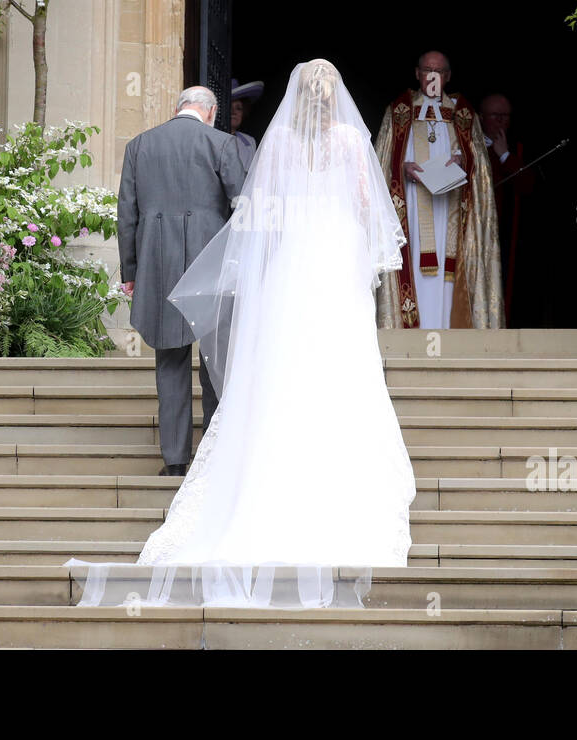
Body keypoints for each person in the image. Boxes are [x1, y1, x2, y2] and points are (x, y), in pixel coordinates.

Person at [69, 60, 416, 608]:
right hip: (334, 259)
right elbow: (367, 207)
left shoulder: (268, 146)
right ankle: (328, 450)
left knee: (271, 357)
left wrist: (260, 262)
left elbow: (251, 215)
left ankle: (191, 456)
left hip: (284, 263)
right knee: (332, 358)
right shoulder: (349, 142)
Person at [116, 86, 245, 477]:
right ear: (209, 112)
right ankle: (213, 458)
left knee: (170, 362)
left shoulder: (139, 146)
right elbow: (243, 210)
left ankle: (174, 461)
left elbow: (126, 216)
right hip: (213, 267)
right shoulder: (223, 144)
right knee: (214, 361)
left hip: (158, 267)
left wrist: (131, 272)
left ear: (179, 109)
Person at [373, 50, 503, 329]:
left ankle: (450, 330)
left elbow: (480, 166)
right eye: (427, 70)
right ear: (417, 74)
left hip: (451, 207)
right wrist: (401, 168)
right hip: (409, 205)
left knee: (449, 268)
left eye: (439, 72)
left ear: (447, 77)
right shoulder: (399, 111)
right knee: (413, 262)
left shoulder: (464, 113)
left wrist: (463, 161)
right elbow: (381, 163)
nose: (432, 77)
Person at [478, 93, 534, 327]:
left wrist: (504, 155)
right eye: (496, 116)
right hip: (476, 233)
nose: (502, 122)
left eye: (506, 117)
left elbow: (527, 186)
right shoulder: (469, 146)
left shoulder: (516, 148)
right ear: (481, 118)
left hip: (508, 233)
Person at [229, 77, 263, 172]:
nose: (233, 112)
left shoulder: (249, 141)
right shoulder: (213, 137)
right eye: (229, 107)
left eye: (238, 108)